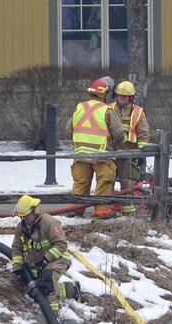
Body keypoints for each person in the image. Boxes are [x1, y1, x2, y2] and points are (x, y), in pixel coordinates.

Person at [64, 77, 127, 219]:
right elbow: (118, 134)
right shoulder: (108, 110)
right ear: (104, 94)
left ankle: (75, 210)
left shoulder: (80, 107)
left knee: (81, 182)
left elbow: (69, 129)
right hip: (101, 155)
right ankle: (102, 212)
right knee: (104, 181)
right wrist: (122, 142)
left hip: (81, 154)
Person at [11, 194, 82, 313]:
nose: (24, 219)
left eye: (27, 216)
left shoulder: (50, 223)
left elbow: (61, 244)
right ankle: (71, 289)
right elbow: (17, 248)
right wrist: (18, 268)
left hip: (57, 259)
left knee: (48, 278)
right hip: (37, 264)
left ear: (35, 211)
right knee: (35, 289)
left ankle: (53, 314)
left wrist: (46, 259)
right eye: (22, 217)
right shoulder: (21, 227)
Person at [110, 80, 150, 215]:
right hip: (110, 153)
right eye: (119, 95)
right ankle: (106, 208)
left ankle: (128, 212)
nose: (120, 98)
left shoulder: (138, 112)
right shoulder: (109, 108)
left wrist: (141, 152)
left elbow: (143, 132)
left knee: (127, 181)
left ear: (131, 98)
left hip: (128, 153)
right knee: (107, 181)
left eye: (124, 96)